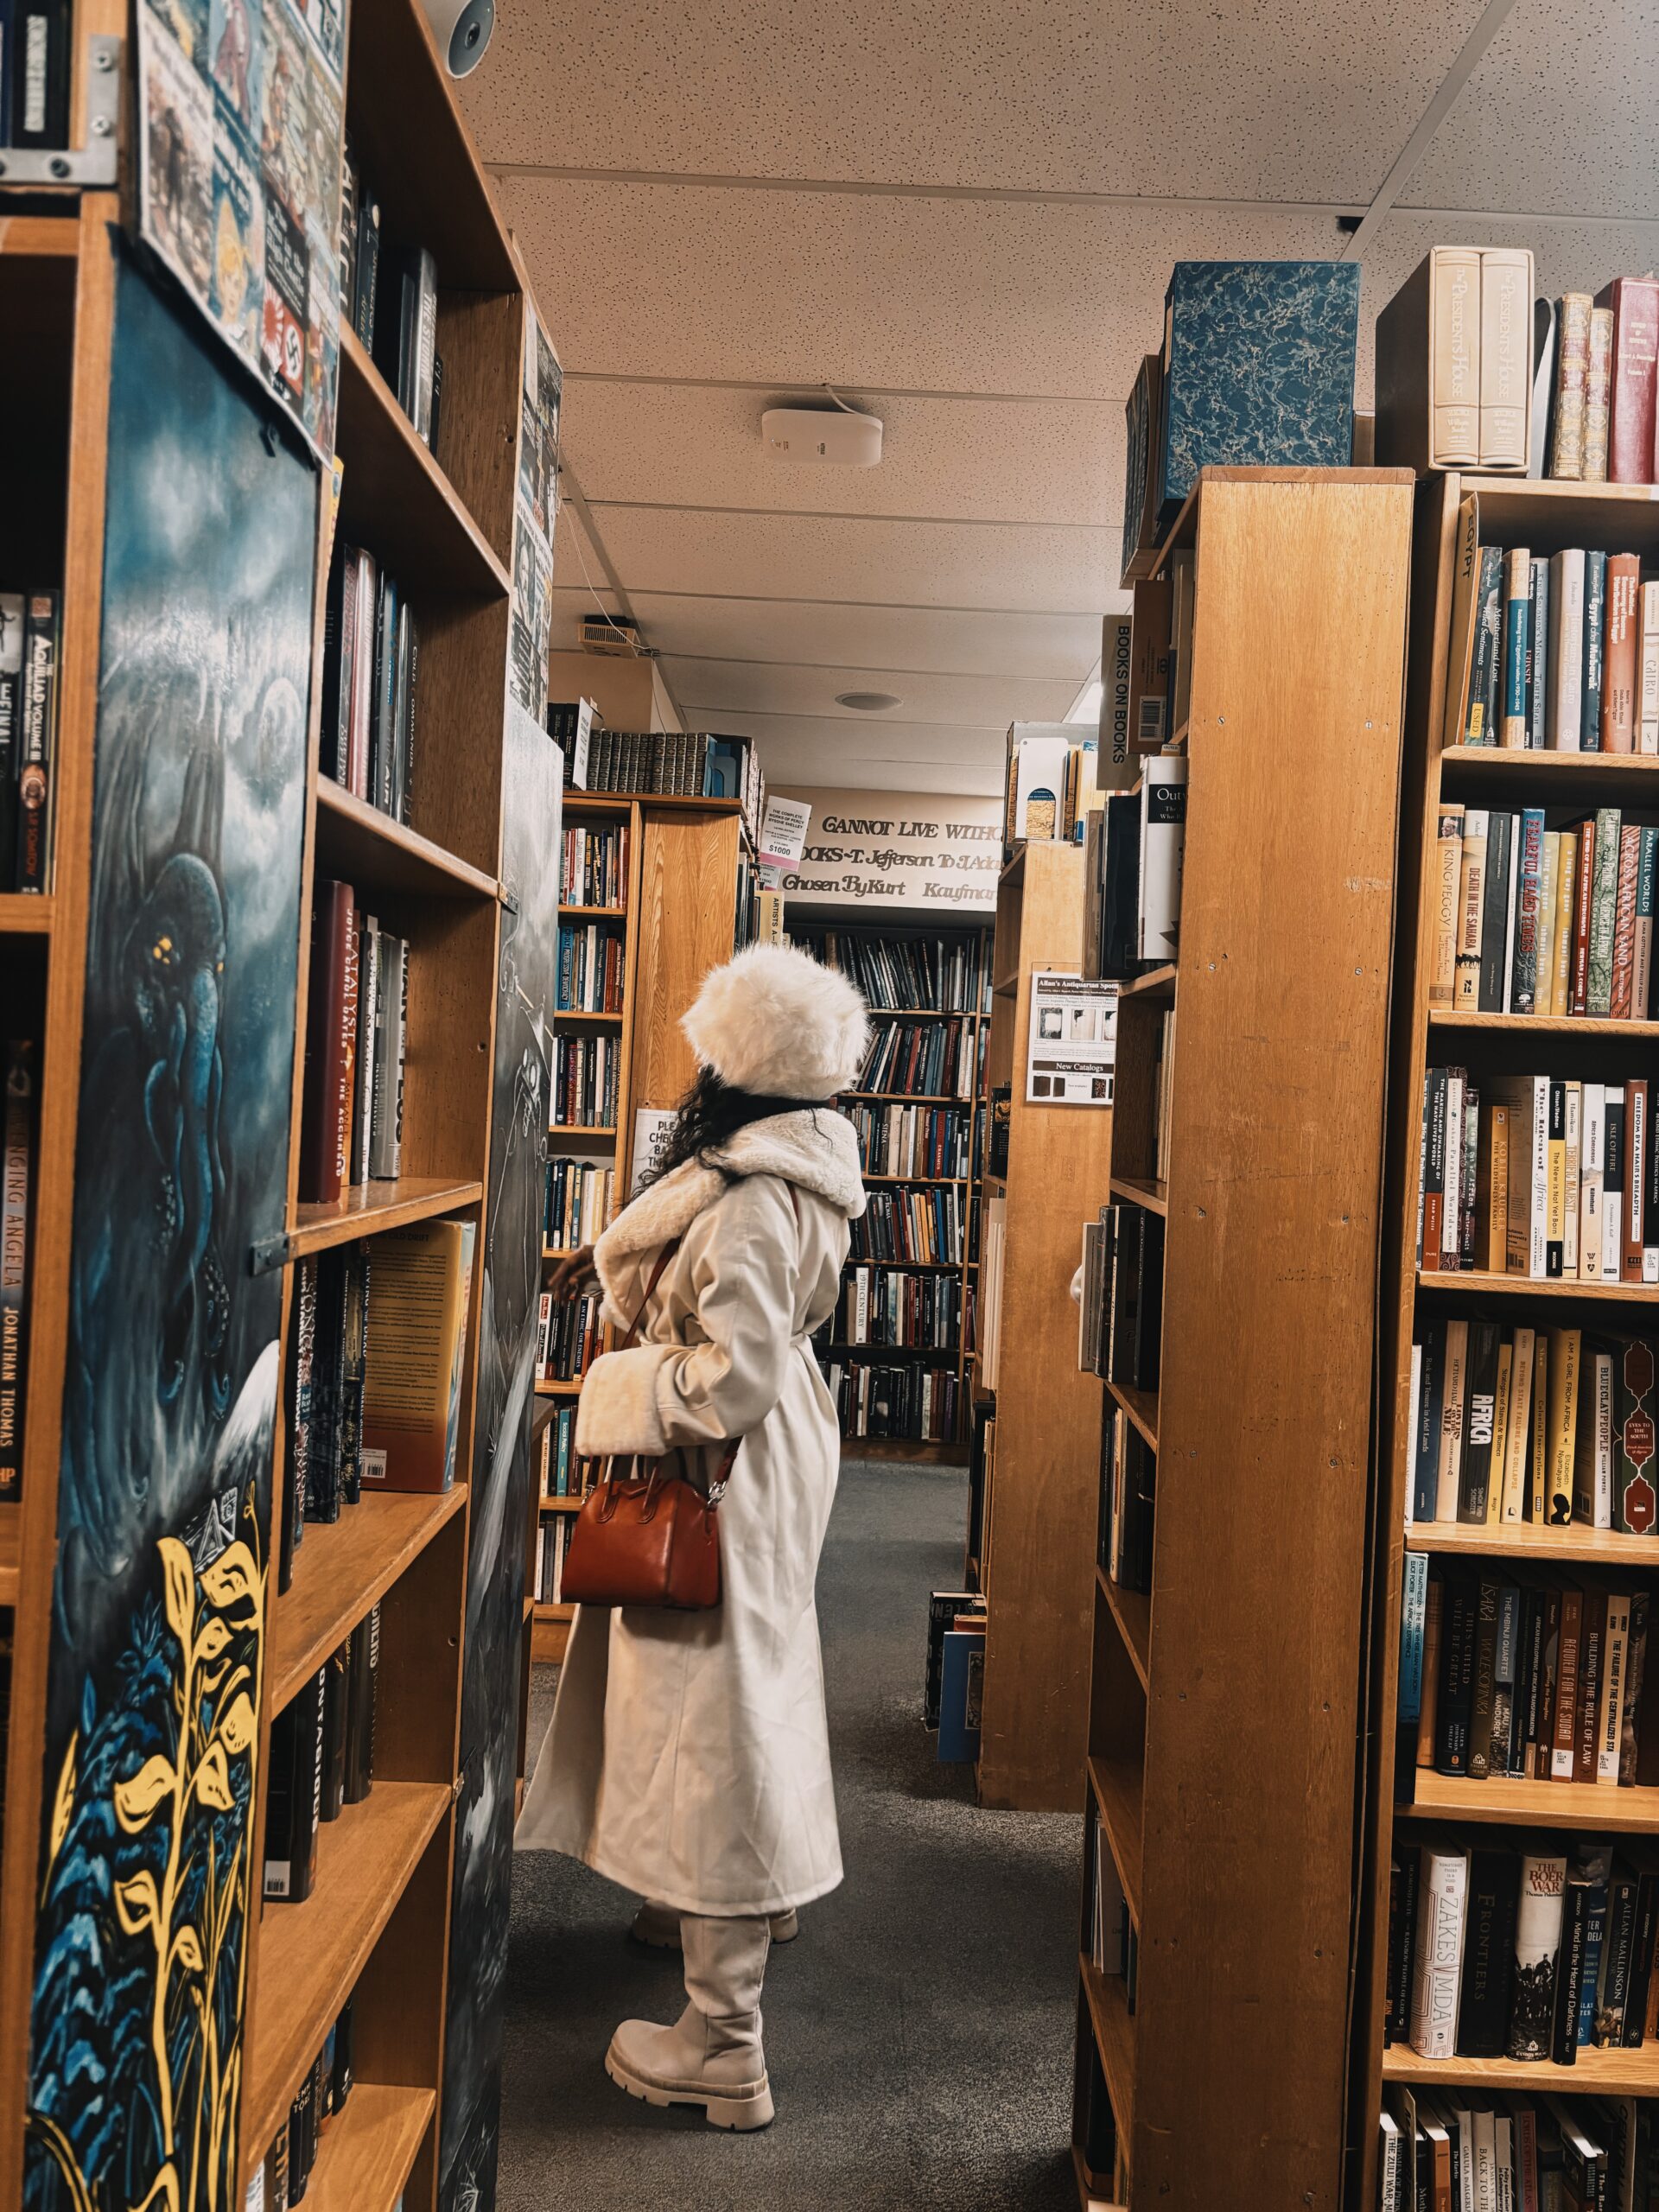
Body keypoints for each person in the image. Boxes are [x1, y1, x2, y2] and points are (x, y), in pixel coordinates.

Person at [516, 942, 870, 2132]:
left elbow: (729, 1383)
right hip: (759, 1472)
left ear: (743, 1065)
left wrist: (617, 1385)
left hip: (725, 1467)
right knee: (725, 1695)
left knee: (721, 1721)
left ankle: (725, 2039)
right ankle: (724, 1905)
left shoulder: (762, 1196)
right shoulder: (787, 1163)